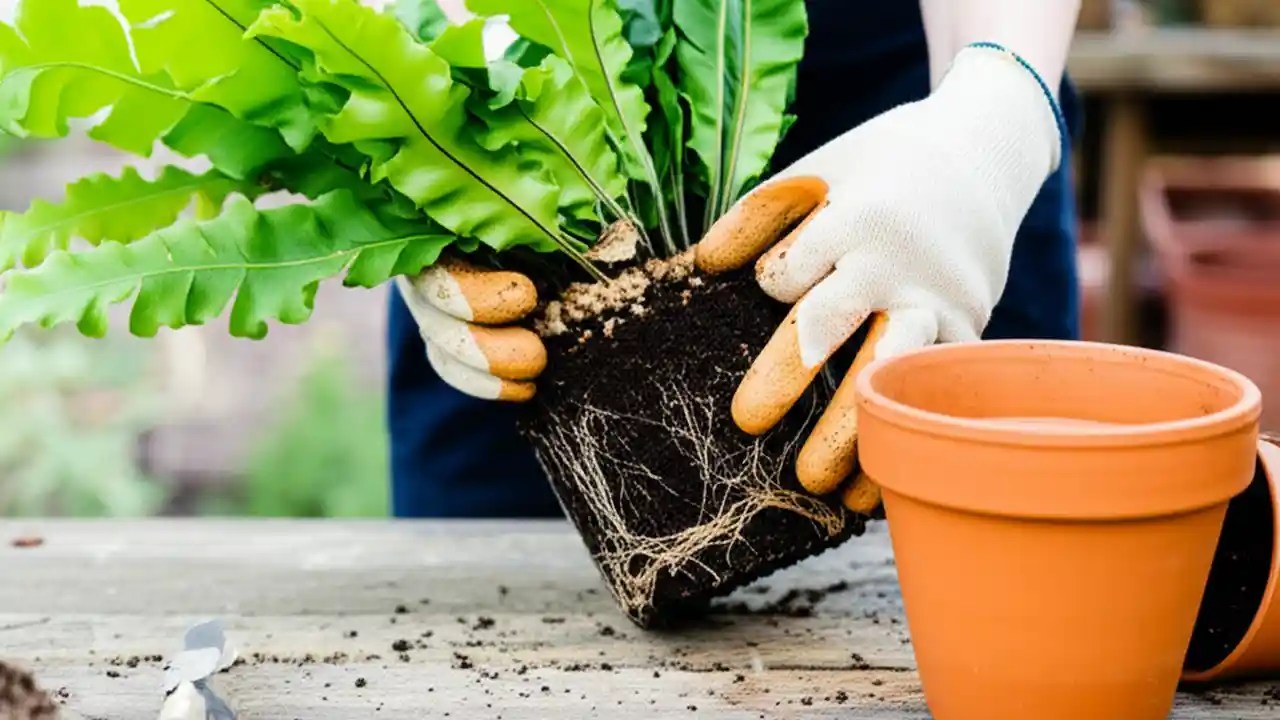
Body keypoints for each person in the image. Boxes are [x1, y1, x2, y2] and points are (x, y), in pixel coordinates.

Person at [387, 0, 1083, 518]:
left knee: (1001, 561)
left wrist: (997, 113)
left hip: (920, 113)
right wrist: (441, 124)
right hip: (545, 127)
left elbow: (992, 103)